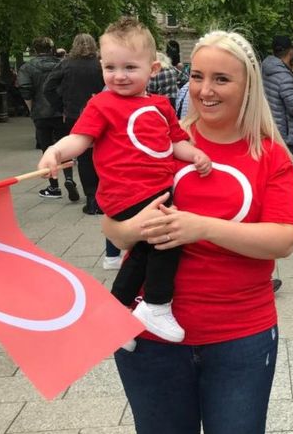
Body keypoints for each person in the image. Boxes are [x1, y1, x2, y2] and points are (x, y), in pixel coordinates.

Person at [101, 29, 293, 434]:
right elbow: (114, 230)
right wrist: (139, 226)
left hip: (240, 337)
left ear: (248, 86)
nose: (204, 90)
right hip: (149, 338)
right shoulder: (158, 141)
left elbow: (283, 239)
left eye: (221, 79)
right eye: (196, 76)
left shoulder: (269, 153)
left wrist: (199, 227)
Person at [37, 18, 212, 347]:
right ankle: (157, 306)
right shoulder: (102, 104)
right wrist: (55, 151)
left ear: (153, 69)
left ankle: (114, 314)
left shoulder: (160, 106)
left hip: (157, 190)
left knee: (144, 254)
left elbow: (174, 143)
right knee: (168, 240)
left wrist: (195, 155)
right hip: (127, 194)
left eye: (130, 67)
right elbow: (80, 138)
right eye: (110, 67)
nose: (119, 75)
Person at [43, 33, 106, 215]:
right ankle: (104, 195)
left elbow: (48, 87)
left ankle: (91, 197)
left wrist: (61, 105)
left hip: (74, 114)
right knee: (102, 152)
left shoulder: (66, 64)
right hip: (101, 113)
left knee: (84, 156)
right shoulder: (99, 64)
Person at [18, 36, 79, 201]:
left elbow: (25, 90)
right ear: (52, 48)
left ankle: (54, 186)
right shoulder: (61, 64)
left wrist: (31, 109)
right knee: (64, 147)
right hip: (61, 112)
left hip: (41, 113)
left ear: (35, 49)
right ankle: (69, 178)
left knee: (47, 149)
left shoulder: (27, 67)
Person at [262, 35, 293, 170]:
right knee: (285, 172)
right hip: (284, 133)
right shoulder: (284, 76)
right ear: (291, 52)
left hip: (268, 127)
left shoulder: (264, 70)